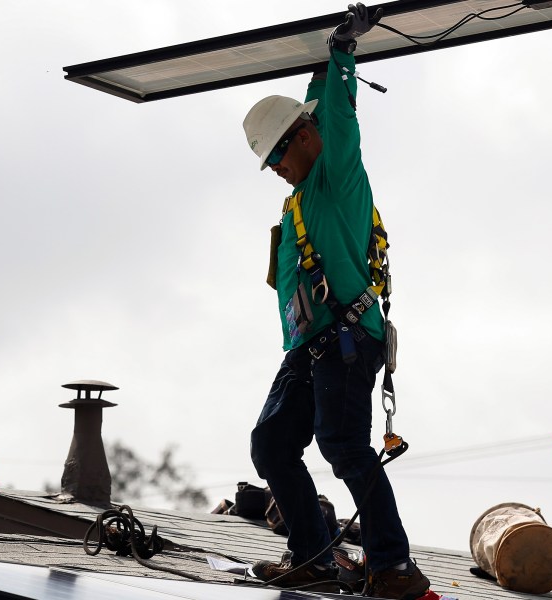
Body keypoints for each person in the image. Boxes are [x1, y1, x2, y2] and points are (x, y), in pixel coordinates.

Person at [239, 5, 429, 600]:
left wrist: (343, 55)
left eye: (277, 157)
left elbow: (338, 118)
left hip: (347, 341)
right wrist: (322, 64)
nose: (275, 170)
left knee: (344, 446)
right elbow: (317, 104)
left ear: (304, 138)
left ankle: (392, 566)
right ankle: (313, 558)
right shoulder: (299, 198)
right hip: (311, 347)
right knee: (271, 445)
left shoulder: (337, 177)